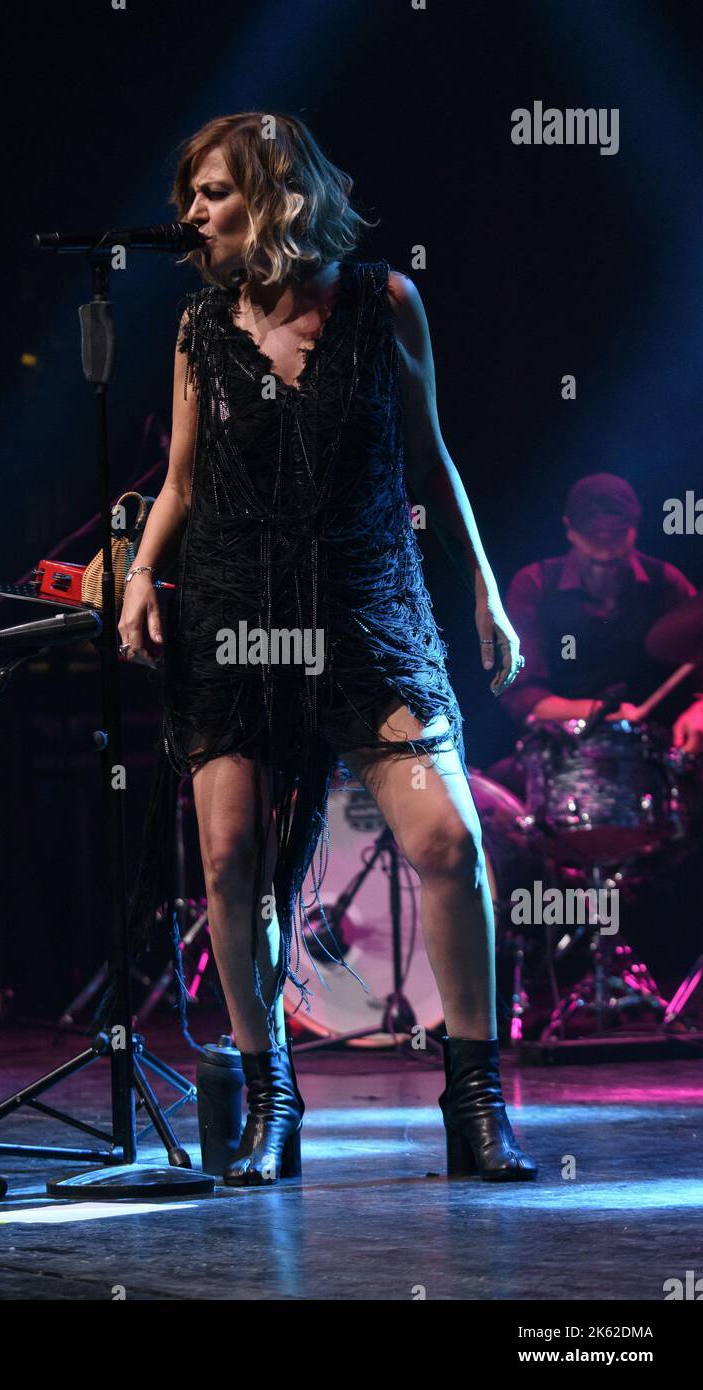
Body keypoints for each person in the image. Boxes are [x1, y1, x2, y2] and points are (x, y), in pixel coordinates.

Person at [118, 111, 537, 1184]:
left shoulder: (379, 302)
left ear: (273, 194)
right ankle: (270, 1101)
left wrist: (484, 594)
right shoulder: (198, 327)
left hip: (363, 605)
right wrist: (132, 575)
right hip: (233, 610)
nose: (192, 214)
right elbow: (179, 479)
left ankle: (475, 1102)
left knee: (445, 841)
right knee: (229, 862)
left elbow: (430, 459)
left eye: (212, 192)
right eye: (190, 196)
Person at [496, 473, 703, 770]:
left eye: (615, 558)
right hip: (561, 754)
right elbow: (521, 695)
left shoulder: (667, 583)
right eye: (594, 559)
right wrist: (601, 712)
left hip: (656, 757)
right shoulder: (535, 584)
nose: (604, 568)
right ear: (569, 529)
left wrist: (700, 710)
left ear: (634, 531)